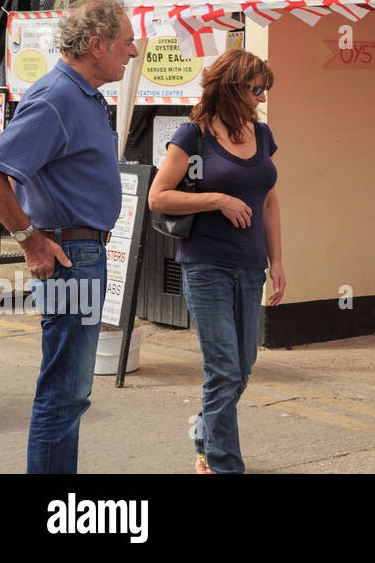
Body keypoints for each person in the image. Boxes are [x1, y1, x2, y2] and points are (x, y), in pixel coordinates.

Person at [0, 0, 139, 474]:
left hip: (80, 253)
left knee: (71, 390)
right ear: (96, 45)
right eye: (126, 42)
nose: (134, 51)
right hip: (70, 257)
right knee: (66, 391)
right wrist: (30, 239)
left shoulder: (79, 95)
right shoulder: (58, 96)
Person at [149, 48, 285, 474]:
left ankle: (204, 437)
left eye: (264, 89)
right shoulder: (194, 136)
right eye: (256, 88)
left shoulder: (261, 135)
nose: (261, 97)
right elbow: (158, 196)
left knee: (242, 369)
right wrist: (217, 199)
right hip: (206, 265)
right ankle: (224, 464)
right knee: (224, 369)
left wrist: (277, 262)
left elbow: (269, 203)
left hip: (249, 266)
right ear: (232, 87)